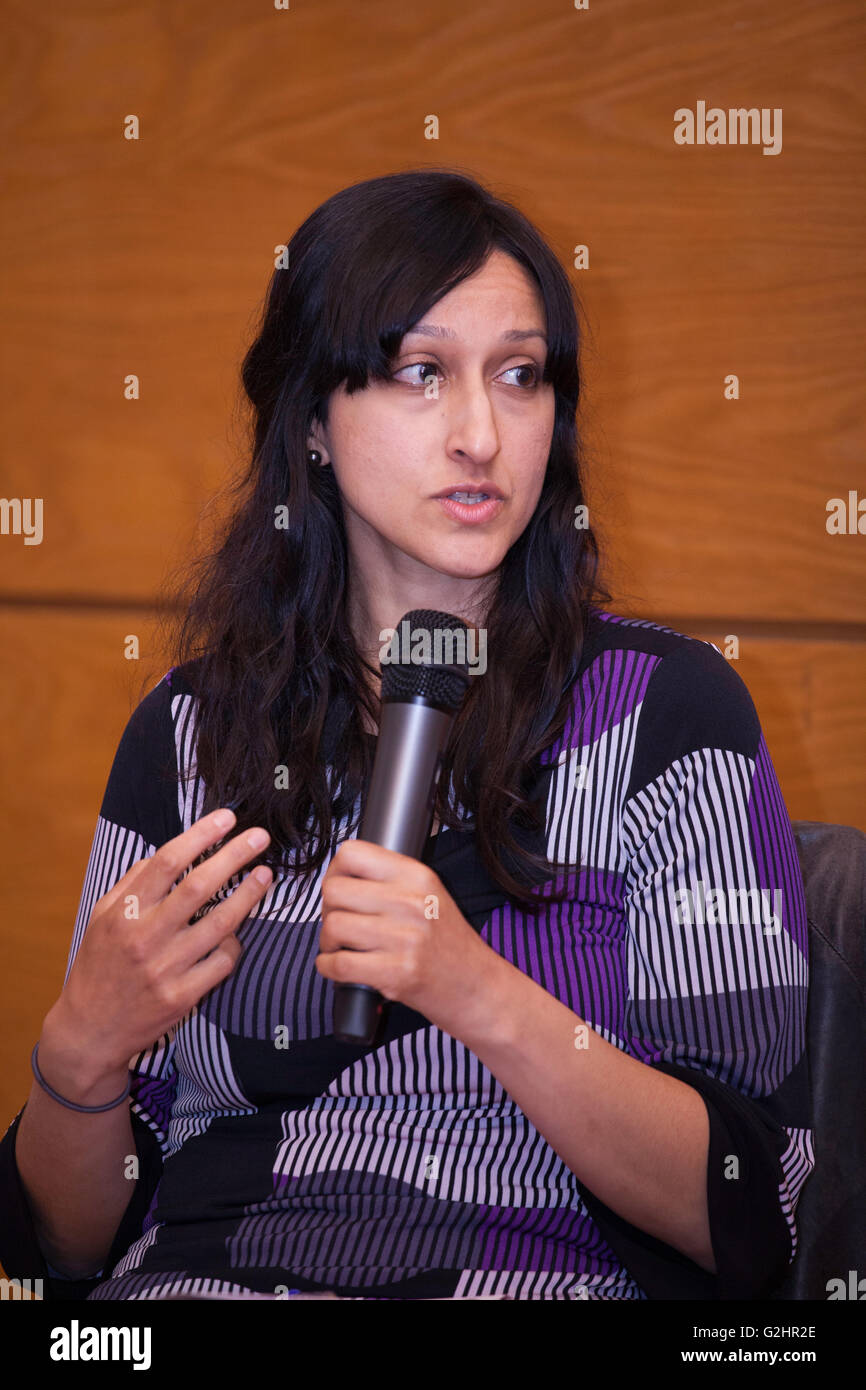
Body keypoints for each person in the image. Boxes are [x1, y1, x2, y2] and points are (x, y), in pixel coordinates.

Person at [0, 169, 813, 1301]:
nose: (480, 433)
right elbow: (75, 1246)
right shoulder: (189, 731)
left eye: (519, 377)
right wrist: (79, 1050)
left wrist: (473, 991)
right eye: (420, 374)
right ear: (315, 422)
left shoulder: (665, 711)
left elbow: (745, 1209)